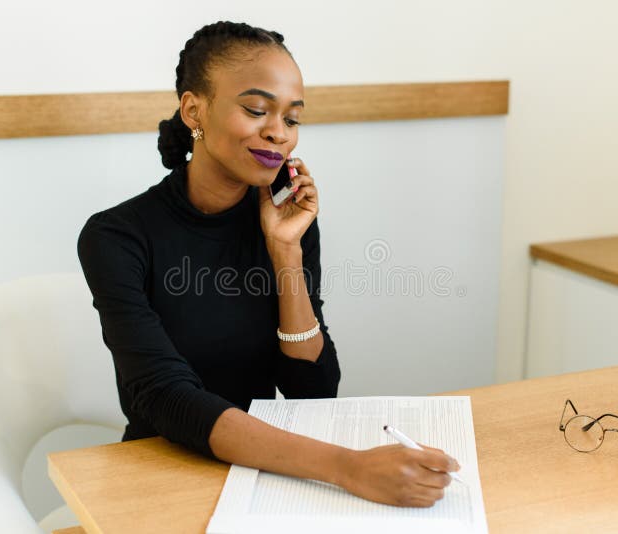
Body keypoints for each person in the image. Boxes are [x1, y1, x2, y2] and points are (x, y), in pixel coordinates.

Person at [77, 20, 458, 508]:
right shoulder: (116, 237)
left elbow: (314, 392)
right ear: (194, 109)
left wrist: (285, 252)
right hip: (163, 473)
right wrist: (347, 467)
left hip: (267, 471)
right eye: (257, 109)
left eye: (292, 119)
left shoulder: (286, 219)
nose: (278, 132)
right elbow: (166, 398)